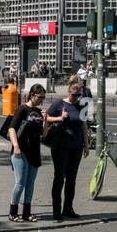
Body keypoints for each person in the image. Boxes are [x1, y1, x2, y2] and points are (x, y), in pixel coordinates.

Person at [44, 77, 86, 222]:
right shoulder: (59, 104)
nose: (76, 97)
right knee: (59, 178)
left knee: (71, 179)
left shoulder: (82, 105)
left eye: (78, 95)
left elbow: (84, 125)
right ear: (68, 92)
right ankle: (56, 211)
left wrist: (86, 144)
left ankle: (68, 208)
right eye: (74, 95)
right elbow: (46, 118)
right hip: (60, 147)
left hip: (76, 147)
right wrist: (59, 118)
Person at [7, 83, 45, 222]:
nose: (42, 100)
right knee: (20, 183)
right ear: (33, 95)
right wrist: (15, 146)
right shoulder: (22, 109)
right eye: (40, 97)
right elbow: (11, 128)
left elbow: (44, 134)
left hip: (34, 151)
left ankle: (26, 213)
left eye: (44, 97)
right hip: (21, 150)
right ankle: (12, 212)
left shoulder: (40, 112)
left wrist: (45, 120)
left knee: (30, 184)